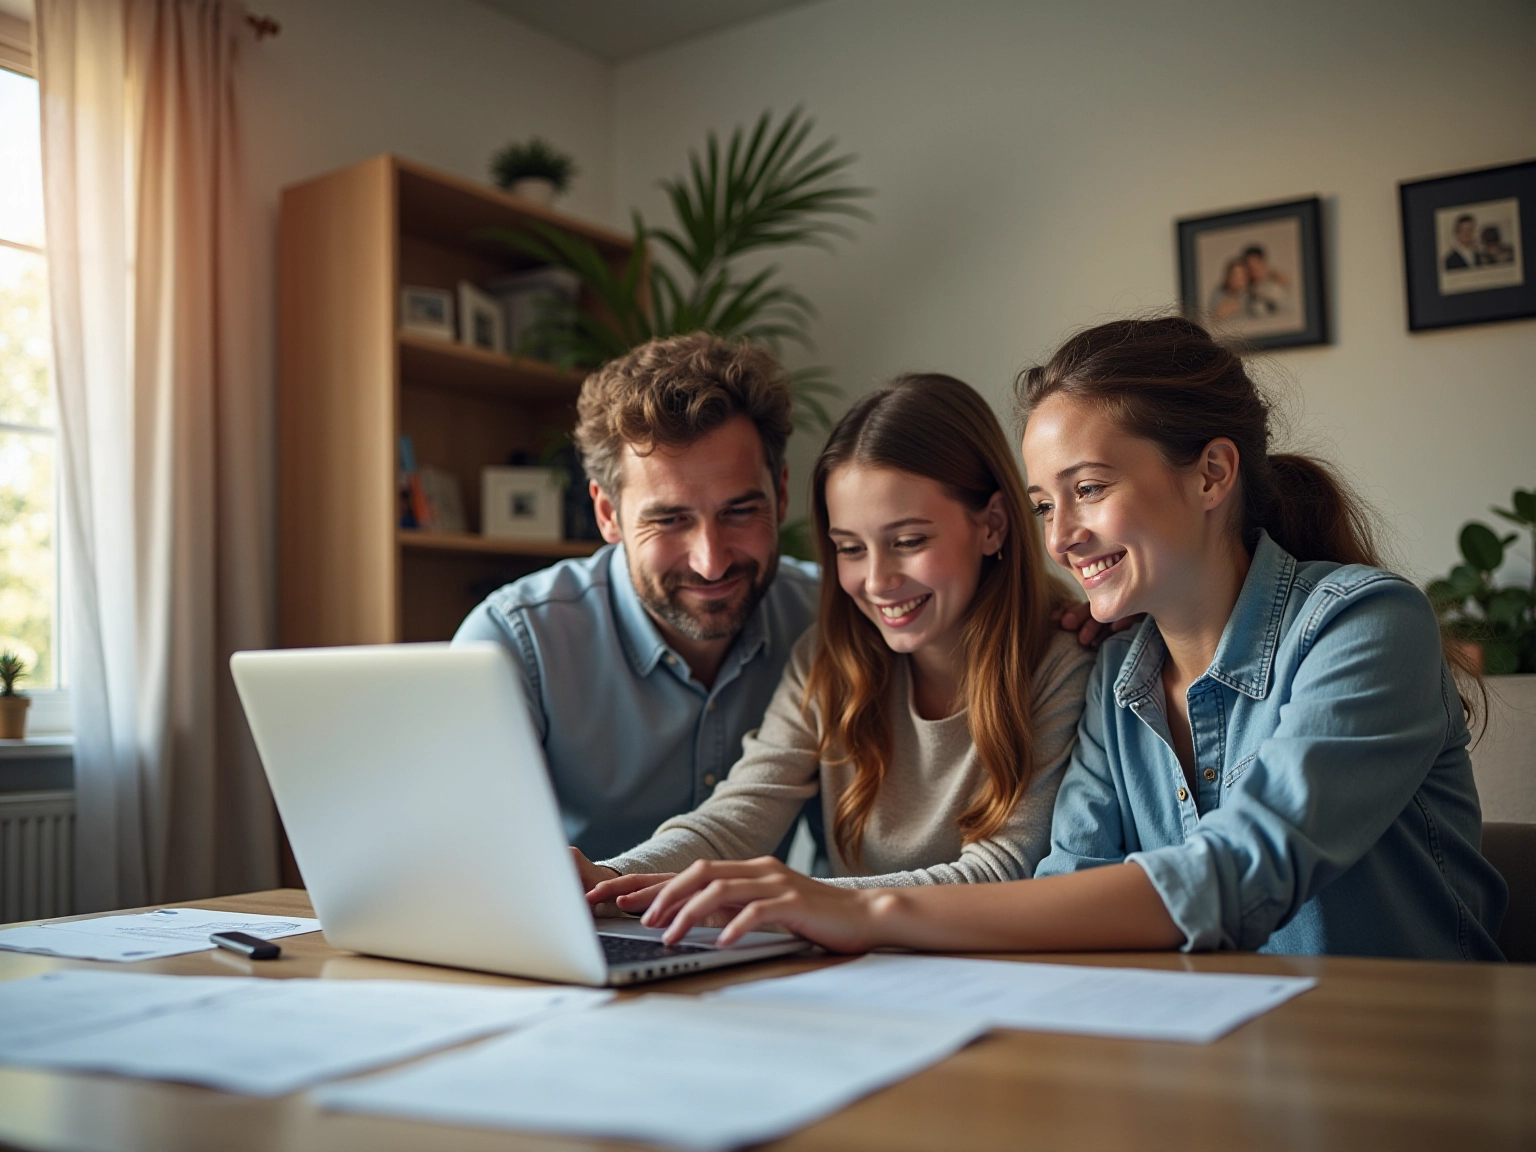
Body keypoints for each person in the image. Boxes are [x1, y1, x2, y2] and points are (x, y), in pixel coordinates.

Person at [624, 317, 1508, 961]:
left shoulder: (1362, 623)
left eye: (1086, 489)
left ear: (1211, 473)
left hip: (1411, 1046)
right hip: (1231, 1046)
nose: (1061, 536)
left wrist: (863, 912)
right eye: (1047, 504)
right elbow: (1057, 890)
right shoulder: (1120, 670)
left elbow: (1239, 874)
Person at [578, 374, 1094, 900]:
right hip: (851, 966)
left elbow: (1001, 871)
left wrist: (815, 901)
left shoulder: (1064, 660)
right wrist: (608, 878)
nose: (876, 581)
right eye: (850, 548)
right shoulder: (831, 658)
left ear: (993, 526)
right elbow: (738, 816)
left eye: (908, 540)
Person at [452, 333, 819, 860]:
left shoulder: (828, 620)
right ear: (607, 513)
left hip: (774, 938)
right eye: (670, 520)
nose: (710, 560)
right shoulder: (515, 644)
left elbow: (855, 853)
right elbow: (470, 863)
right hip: (575, 936)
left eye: (739, 512)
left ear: (780, 494)